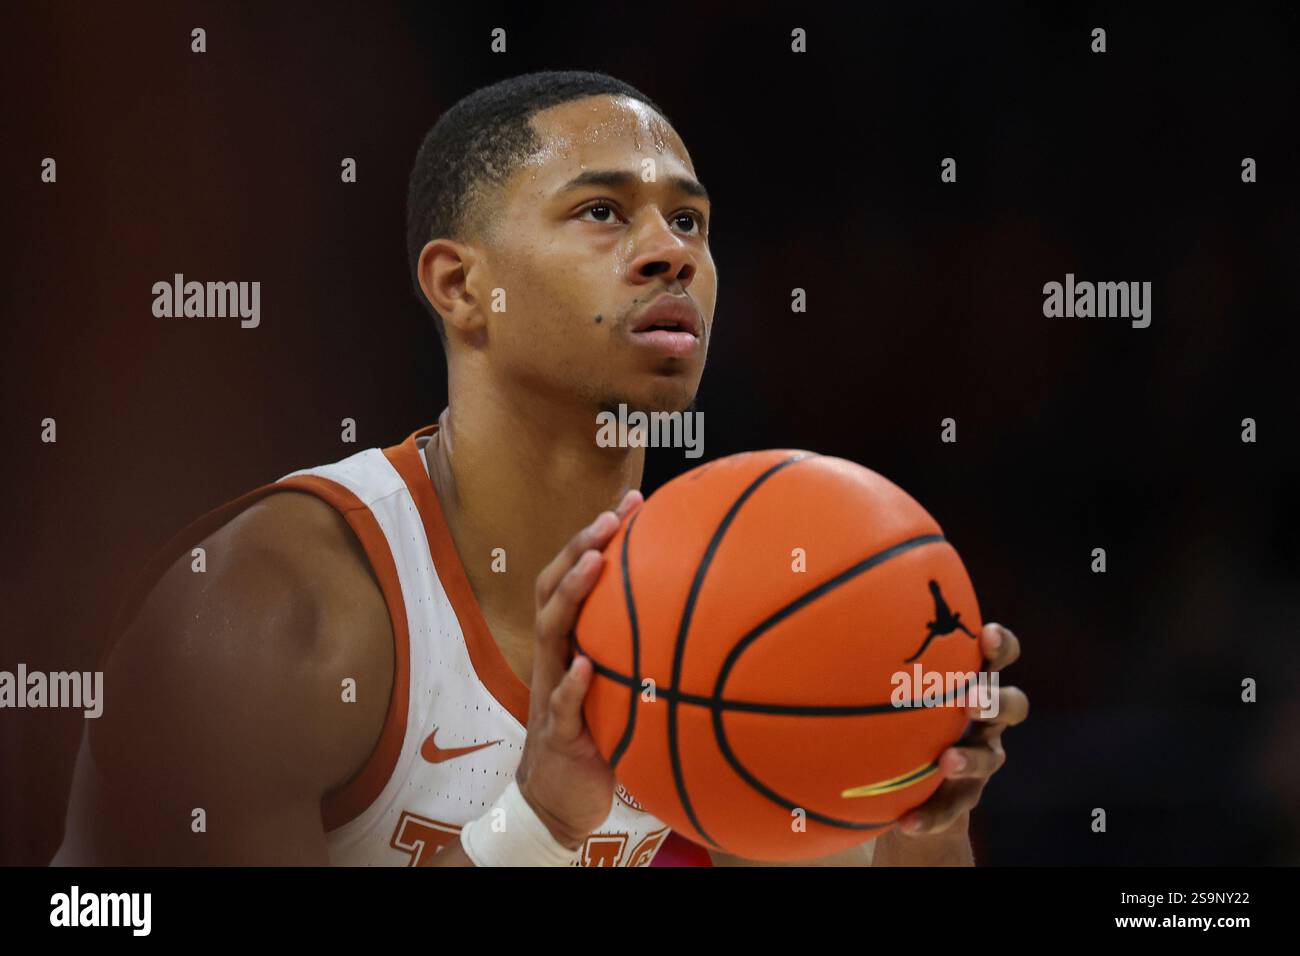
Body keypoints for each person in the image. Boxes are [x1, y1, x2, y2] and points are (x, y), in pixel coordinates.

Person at [52, 70, 1028, 867]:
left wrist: (920, 815)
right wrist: (538, 823)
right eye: (604, 210)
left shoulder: (737, 602)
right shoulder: (267, 611)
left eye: (689, 221)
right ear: (461, 285)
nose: (669, 253)